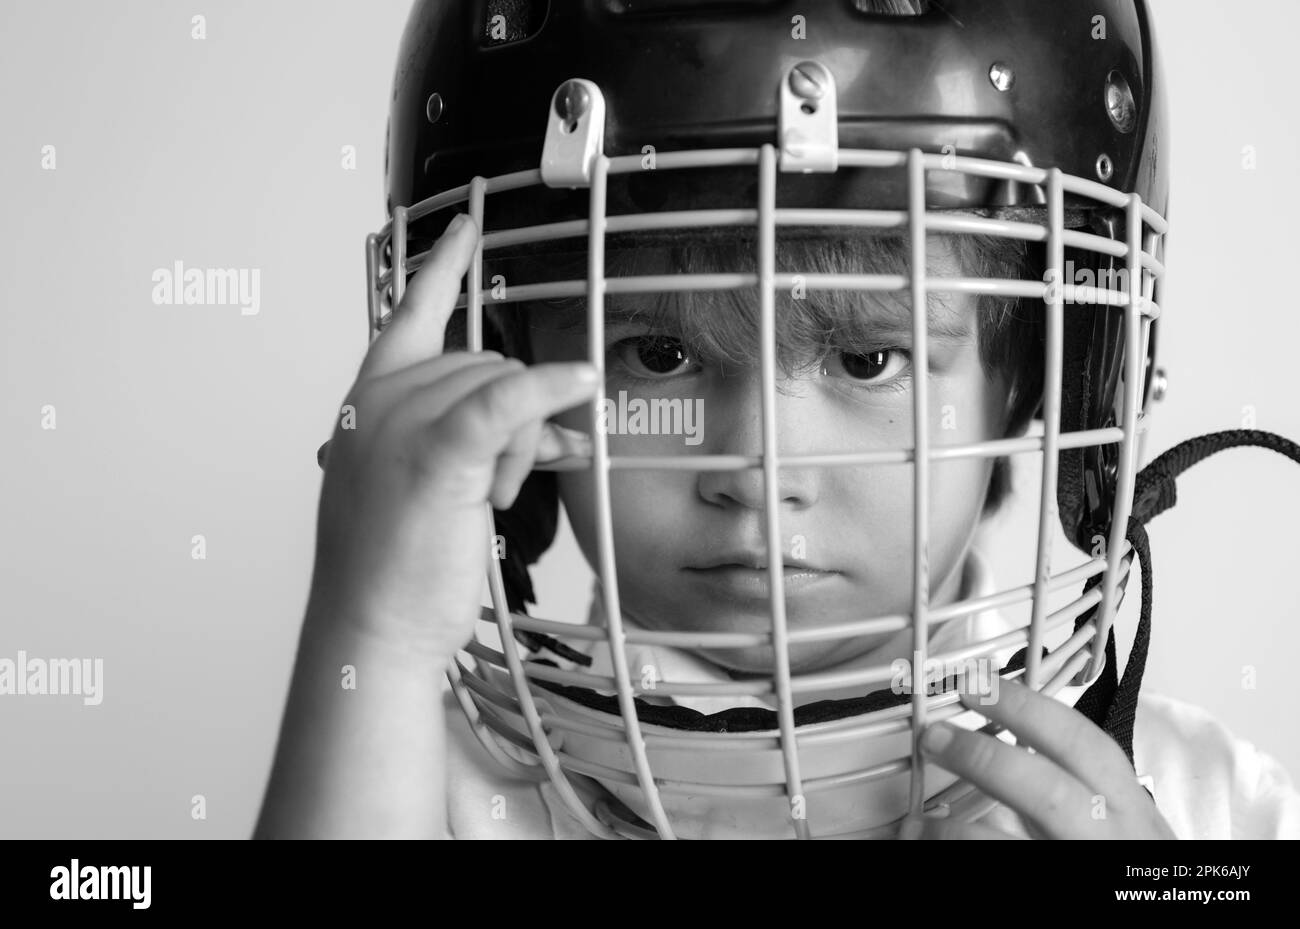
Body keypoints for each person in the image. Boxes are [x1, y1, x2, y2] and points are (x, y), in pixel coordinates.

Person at [253, 0, 1300, 840]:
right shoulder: (409, 777)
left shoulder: (1188, 806)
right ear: (504, 362)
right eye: (658, 355)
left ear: (1040, 380)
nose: (756, 467)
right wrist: (371, 633)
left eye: (865, 357)